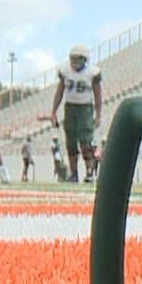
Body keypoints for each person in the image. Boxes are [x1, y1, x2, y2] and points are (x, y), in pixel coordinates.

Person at [49, 45, 102, 182]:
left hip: (85, 108)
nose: (75, 62)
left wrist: (98, 114)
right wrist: (54, 110)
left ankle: (90, 172)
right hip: (70, 107)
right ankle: (74, 173)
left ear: (84, 59)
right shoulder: (66, 71)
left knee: (85, 142)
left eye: (78, 59)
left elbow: (98, 94)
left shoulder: (91, 73)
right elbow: (59, 92)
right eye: (73, 58)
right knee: (70, 142)